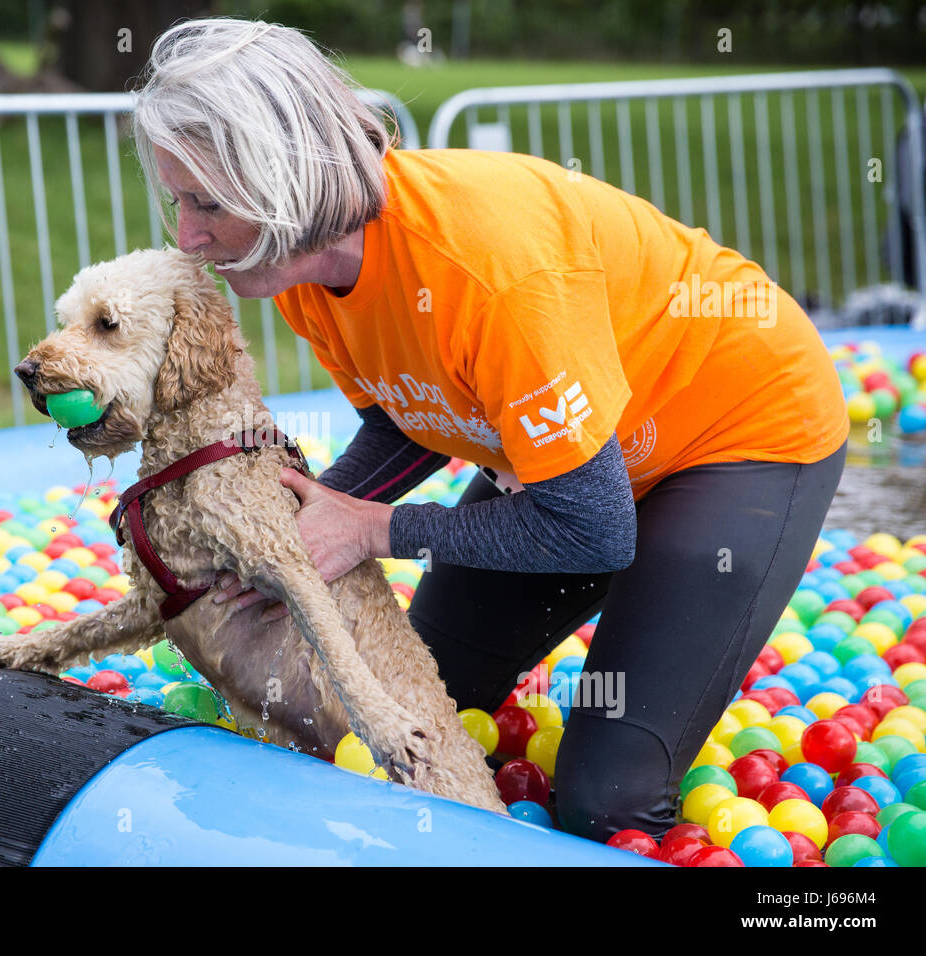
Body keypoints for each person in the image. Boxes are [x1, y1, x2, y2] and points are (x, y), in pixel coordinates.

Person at [131, 17, 849, 842]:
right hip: (575, 473)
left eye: (207, 202)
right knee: (413, 718)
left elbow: (594, 528)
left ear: (284, 176)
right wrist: (299, 527)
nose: (186, 236)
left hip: (736, 432)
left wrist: (370, 528)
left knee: (603, 805)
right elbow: (414, 417)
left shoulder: (488, 270)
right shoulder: (292, 268)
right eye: (179, 200)